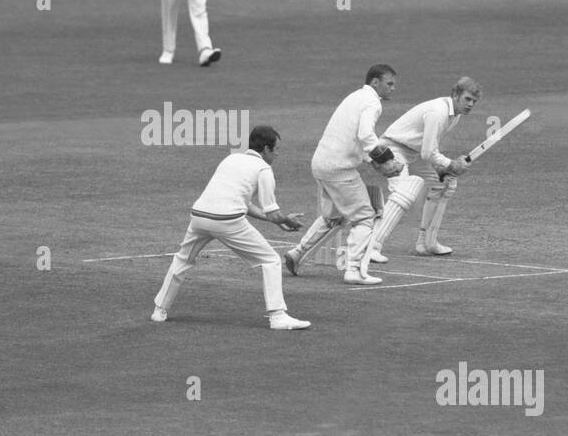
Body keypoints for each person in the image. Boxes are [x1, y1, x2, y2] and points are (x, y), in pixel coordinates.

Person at [152, 125, 311, 331]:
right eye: (276, 149)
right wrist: (287, 221)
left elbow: (245, 205)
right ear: (265, 149)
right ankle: (278, 316)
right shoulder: (264, 169)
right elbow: (272, 213)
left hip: (199, 216)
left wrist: (279, 220)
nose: (277, 154)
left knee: (182, 259)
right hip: (227, 221)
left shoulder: (231, 159)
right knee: (270, 260)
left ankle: (159, 310)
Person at [283, 65, 401, 286]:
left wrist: (373, 161)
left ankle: (297, 253)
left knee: (334, 217)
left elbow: (352, 139)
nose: (393, 89)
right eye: (389, 83)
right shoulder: (372, 102)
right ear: (375, 82)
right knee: (365, 216)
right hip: (339, 168)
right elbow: (365, 135)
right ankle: (354, 270)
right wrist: (386, 160)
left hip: (321, 163)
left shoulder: (355, 97)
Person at [362, 77, 481, 269]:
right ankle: (371, 246)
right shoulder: (439, 112)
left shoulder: (454, 114)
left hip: (413, 153)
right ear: (455, 95)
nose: (470, 104)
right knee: (403, 193)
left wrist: (444, 168)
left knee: (443, 182)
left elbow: (428, 148)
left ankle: (427, 243)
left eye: (474, 101)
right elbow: (428, 152)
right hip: (394, 150)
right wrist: (450, 163)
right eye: (467, 99)